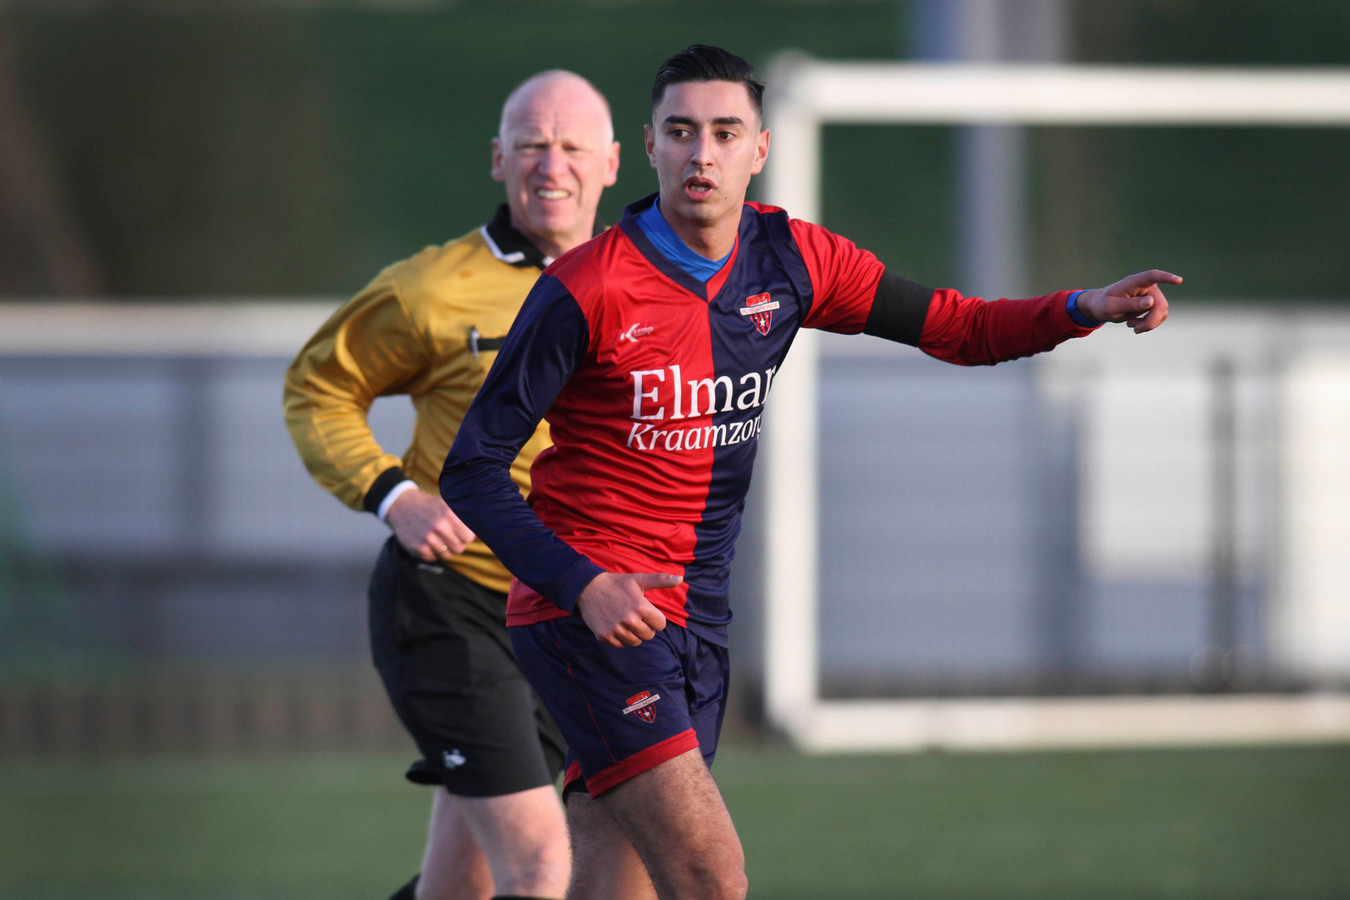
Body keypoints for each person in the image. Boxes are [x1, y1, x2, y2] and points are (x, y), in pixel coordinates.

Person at [440, 45, 1180, 900]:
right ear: (650, 146)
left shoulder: (790, 258)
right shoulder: (588, 286)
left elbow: (955, 326)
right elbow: (473, 470)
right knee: (714, 877)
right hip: (594, 620)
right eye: (682, 132)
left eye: (725, 132)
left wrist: (1081, 308)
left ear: (759, 148)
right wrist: (585, 586)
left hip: (696, 612)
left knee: (620, 878)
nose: (702, 153)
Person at [283, 70, 620, 900]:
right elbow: (317, 387)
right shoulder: (432, 289)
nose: (552, 164)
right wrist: (394, 496)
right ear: (497, 157)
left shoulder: (644, 282)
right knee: (542, 865)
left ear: (613, 162)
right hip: (453, 605)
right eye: (532, 144)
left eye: (572, 145)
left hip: (568, 617)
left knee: (460, 884)